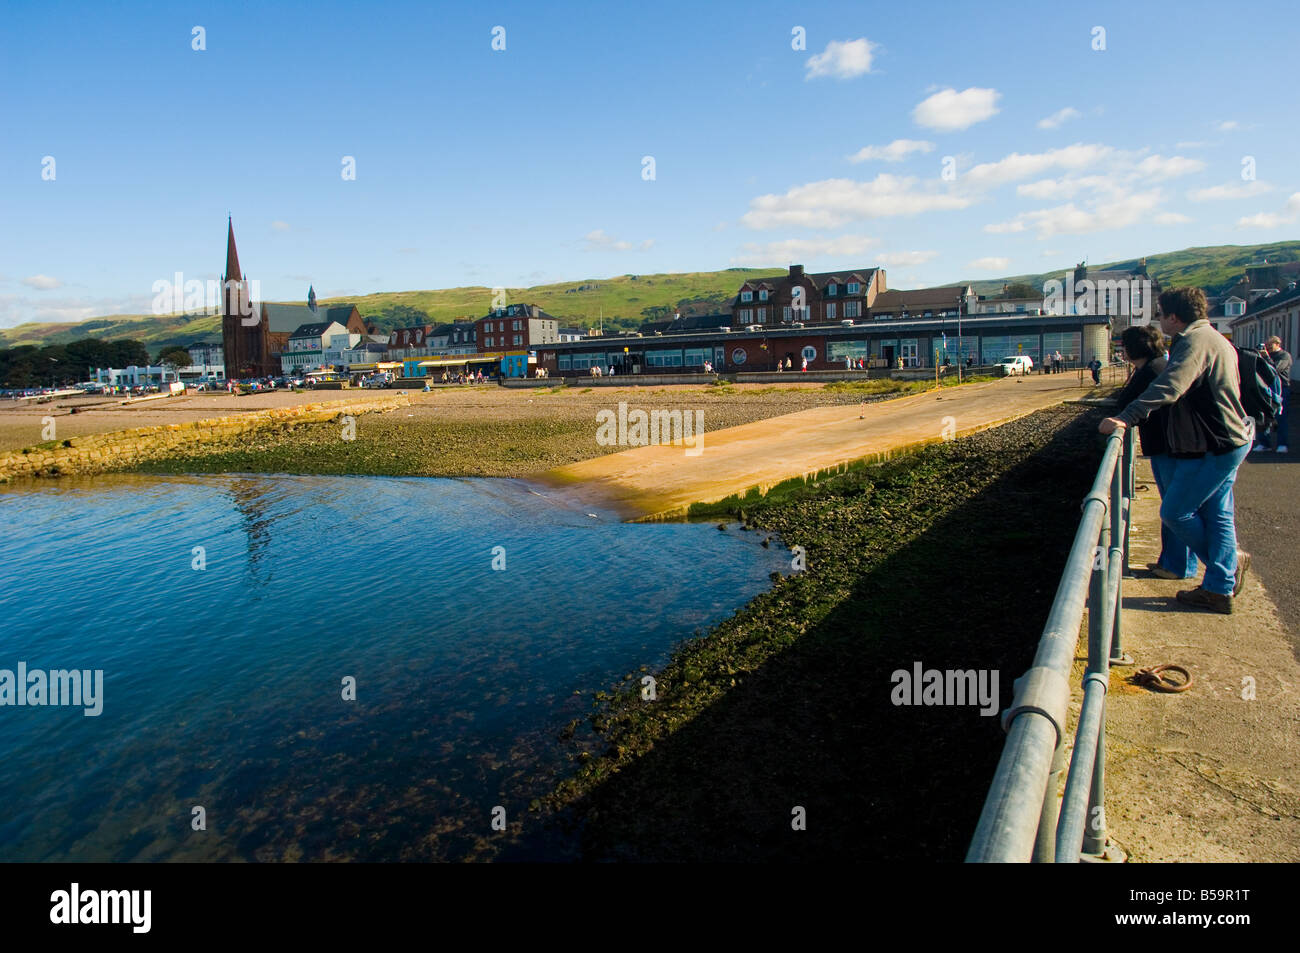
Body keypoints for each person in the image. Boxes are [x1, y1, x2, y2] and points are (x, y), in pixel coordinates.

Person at [1099, 287, 1252, 614]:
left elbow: (1170, 387)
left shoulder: (1195, 342)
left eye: (1160, 313)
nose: (1158, 319)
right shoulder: (1215, 338)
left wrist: (1126, 418)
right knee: (1217, 513)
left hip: (1218, 443)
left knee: (1175, 512)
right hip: (1229, 440)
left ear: (1174, 316)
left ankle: (1225, 570)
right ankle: (1219, 586)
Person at [1114, 323, 1197, 580]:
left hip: (1168, 446)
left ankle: (1178, 565)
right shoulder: (1154, 367)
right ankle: (1171, 561)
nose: (1122, 351)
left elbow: (1127, 401)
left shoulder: (1152, 370)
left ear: (1135, 347)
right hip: (1165, 445)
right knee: (1173, 506)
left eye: (1124, 346)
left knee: (1175, 507)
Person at [1253, 335, 1291, 453]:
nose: (1268, 347)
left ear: (1277, 344)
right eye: (1267, 345)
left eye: (1270, 345)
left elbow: (1274, 370)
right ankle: (1264, 443)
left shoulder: (1284, 356)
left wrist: (1266, 357)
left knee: (1280, 416)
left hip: (1281, 389)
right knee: (1263, 416)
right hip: (1266, 388)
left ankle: (1282, 444)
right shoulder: (1266, 356)